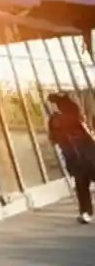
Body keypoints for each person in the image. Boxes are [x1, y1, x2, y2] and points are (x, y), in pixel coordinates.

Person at [47, 93, 95, 223]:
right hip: (80, 157)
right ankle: (85, 212)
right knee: (81, 185)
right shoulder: (61, 118)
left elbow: (54, 139)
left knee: (81, 186)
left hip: (83, 156)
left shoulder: (66, 117)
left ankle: (86, 212)